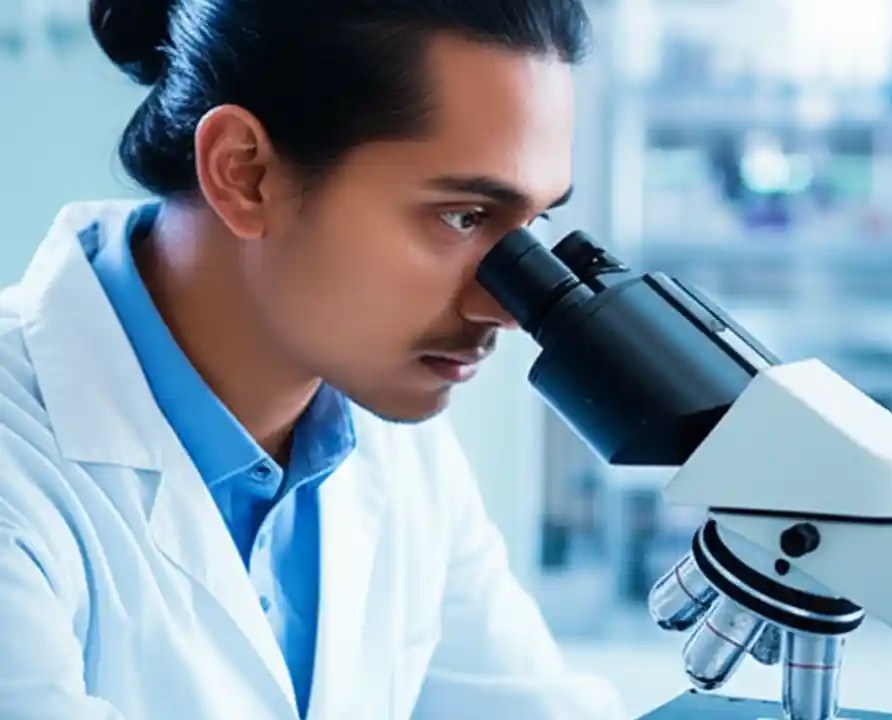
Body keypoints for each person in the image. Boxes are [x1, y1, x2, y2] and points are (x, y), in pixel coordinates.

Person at [0, 1, 624, 718]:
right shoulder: (19, 465)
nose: (510, 308)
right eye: (463, 217)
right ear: (244, 173)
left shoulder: (391, 449)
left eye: (533, 225)